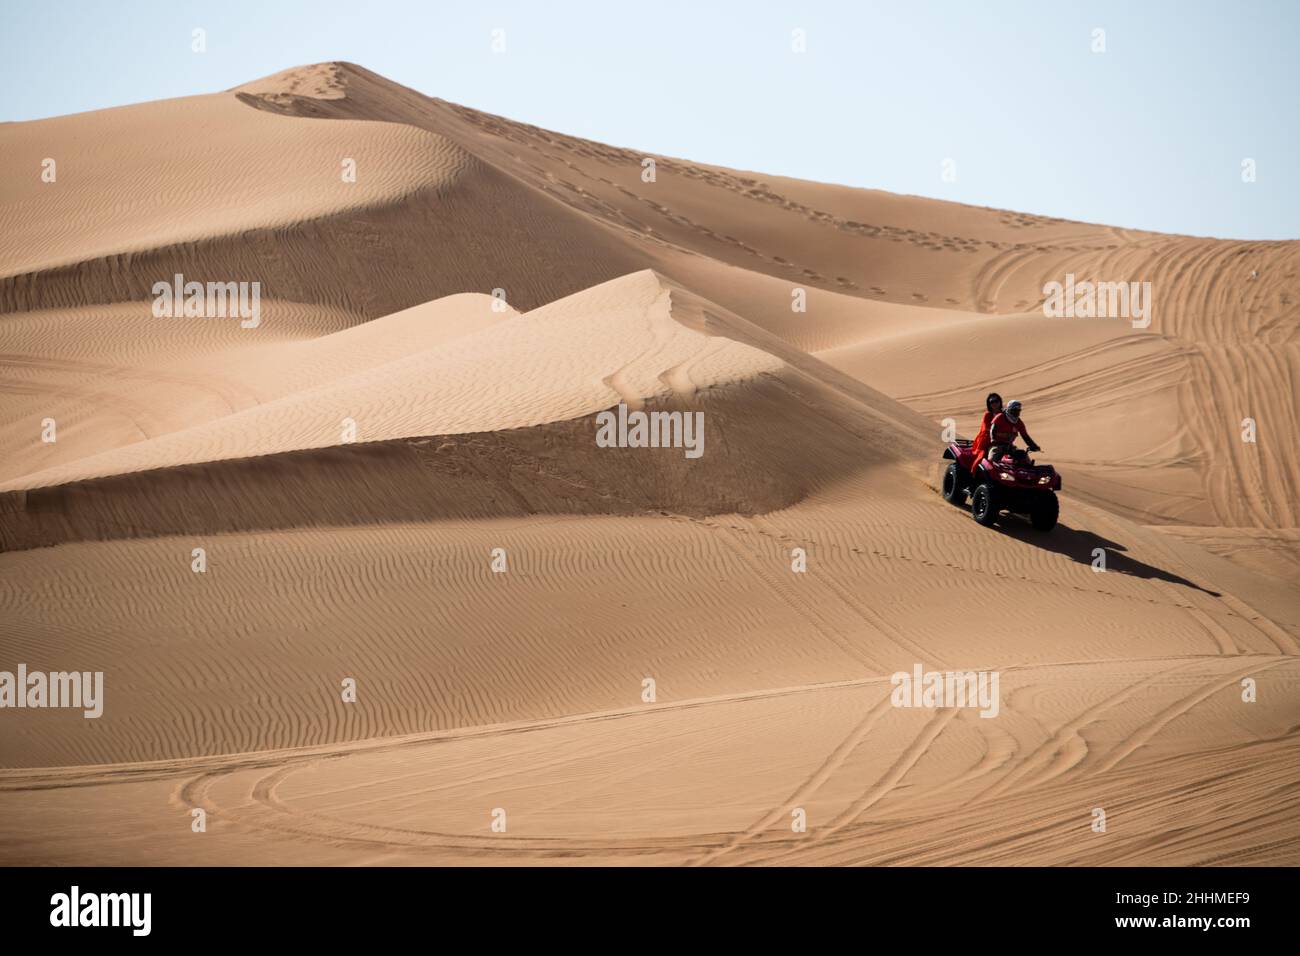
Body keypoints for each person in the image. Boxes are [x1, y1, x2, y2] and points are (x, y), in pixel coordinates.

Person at [986, 399, 1040, 463]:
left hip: (1009, 446)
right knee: (991, 462)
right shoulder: (1000, 417)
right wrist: (993, 439)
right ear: (1009, 410)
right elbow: (993, 429)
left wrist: (1033, 445)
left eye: (1018, 411)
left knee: (1024, 457)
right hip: (997, 445)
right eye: (1014, 411)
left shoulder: (1019, 422)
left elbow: (1025, 436)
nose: (1016, 413)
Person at [968, 392, 1002, 473]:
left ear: (1000, 402)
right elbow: (987, 428)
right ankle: (975, 473)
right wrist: (1001, 433)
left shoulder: (1003, 414)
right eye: (991, 402)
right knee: (982, 457)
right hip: (986, 441)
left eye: (996, 401)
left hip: (1001, 441)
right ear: (989, 404)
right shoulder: (988, 414)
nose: (994, 403)